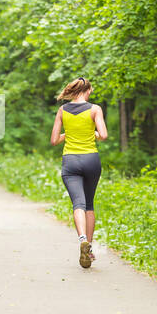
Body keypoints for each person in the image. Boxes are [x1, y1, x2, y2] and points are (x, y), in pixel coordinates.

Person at [50, 77, 108, 268]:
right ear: (87, 90)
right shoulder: (95, 109)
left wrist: (68, 134)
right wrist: (93, 134)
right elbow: (104, 135)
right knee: (89, 204)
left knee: (78, 204)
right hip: (91, 159)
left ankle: (82, 238)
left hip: (70, 161)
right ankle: (88, 248)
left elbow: (54, 140)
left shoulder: (62, 110)